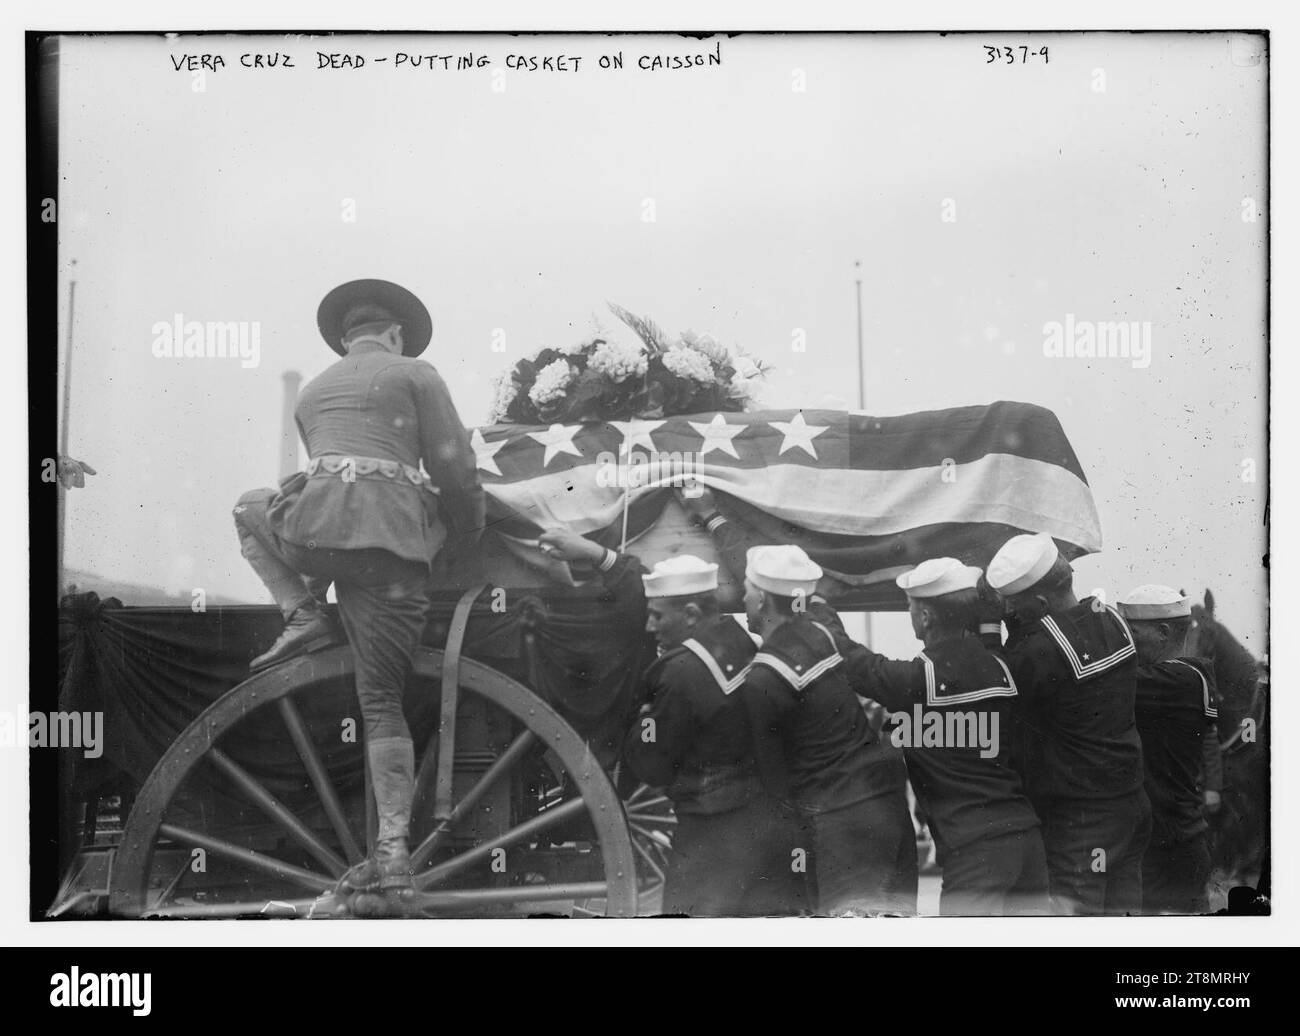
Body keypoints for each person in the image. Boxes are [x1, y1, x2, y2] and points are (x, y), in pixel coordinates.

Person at [231, 278, 484, 906]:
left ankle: (302, 614)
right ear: (395, 333)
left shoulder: (312, 392)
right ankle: (393, 851)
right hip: (390, 553)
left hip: (316, 539)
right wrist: (464, 535)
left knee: (246, 507)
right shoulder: (416, 374)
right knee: (381, 701)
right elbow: (453, 467)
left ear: (346, 339)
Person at [824, 557, 1048, 915]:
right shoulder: (1000, 662)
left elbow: (853, 662)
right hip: (1027, 841)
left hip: (977, 854)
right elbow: (988, 637)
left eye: (910, 607)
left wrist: (818, 608)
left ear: (925, 618)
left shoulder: (919, 680)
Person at [737, 544, 917, 916]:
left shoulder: (763, 678)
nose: (741, 597)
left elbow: (774, 782)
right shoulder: (823, 630)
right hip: (887, 805)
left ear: (762, 602)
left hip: (842, 824)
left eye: (746, 590)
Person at [622, 554, 803, 916]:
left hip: (711, 832)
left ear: (690, 614)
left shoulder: (677, 674)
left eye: (657, 615)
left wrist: (639, 725)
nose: (648, 626)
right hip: (767, 819)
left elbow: (652, 769)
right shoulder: (739, 637)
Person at [985, 532, 1150, 915]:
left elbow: (998, 685)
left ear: (1041, 602)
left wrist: (991, 632)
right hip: (1130, 805)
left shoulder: (1041, 650)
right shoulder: (1113, 620)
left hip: (1083, 822)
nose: (1008, 608)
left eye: (1013, 603)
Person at [1118, 584, 1222, 915]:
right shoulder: (1190, 675)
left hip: (1167, 846)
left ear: (1163, 632)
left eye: (1133, 632)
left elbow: (1100, 681)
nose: (1127, 642)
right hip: (1183, 837)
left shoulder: (1177, 679)